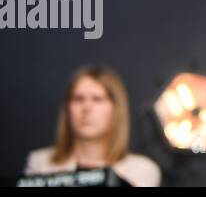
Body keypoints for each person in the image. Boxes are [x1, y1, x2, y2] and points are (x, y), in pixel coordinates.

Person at [24, 65, 161, 187]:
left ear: (116, 109)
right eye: (78, 99)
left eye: (97, 99)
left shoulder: (141, 170)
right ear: (67, 108)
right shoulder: (40, 164)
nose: (86, 108)